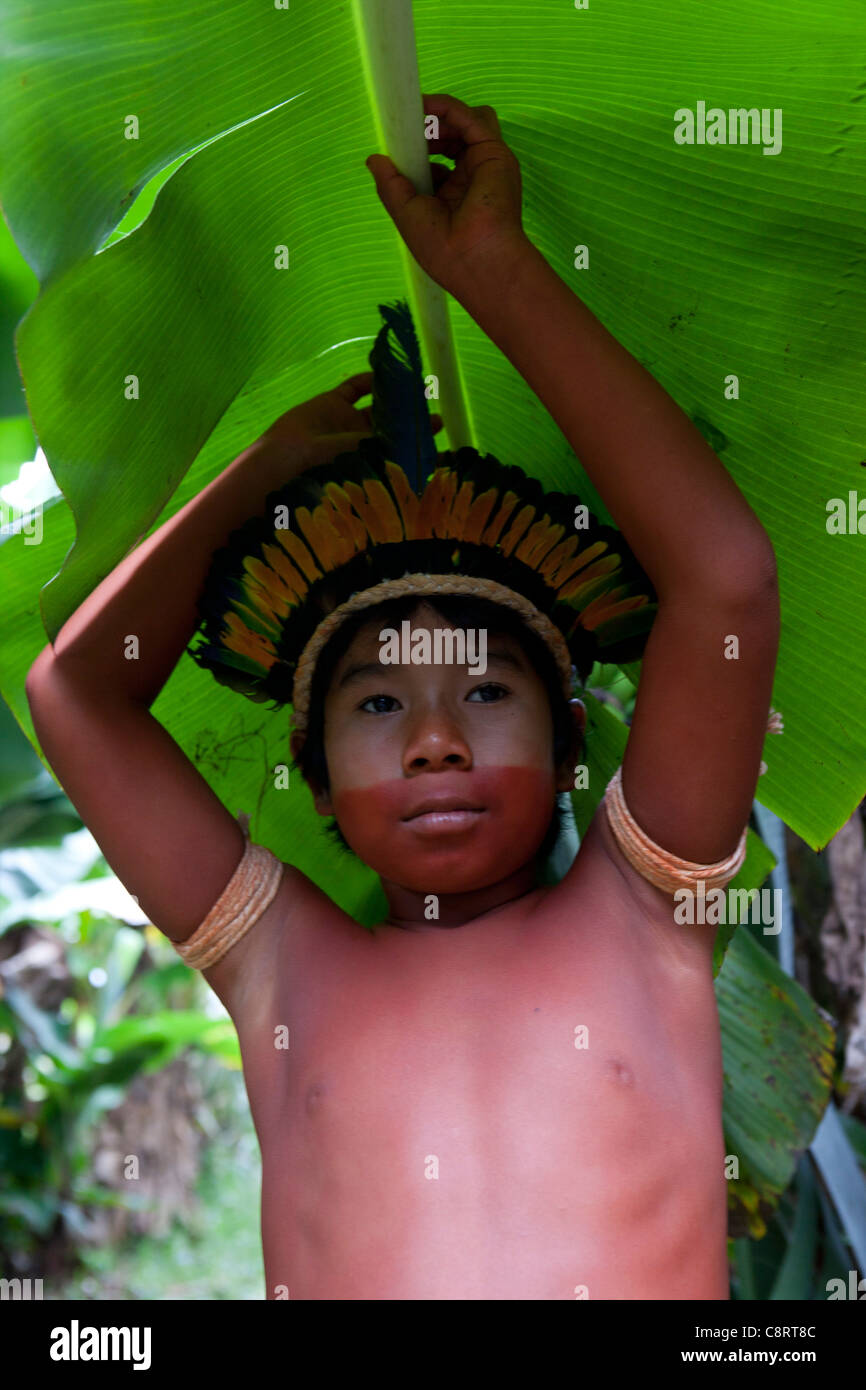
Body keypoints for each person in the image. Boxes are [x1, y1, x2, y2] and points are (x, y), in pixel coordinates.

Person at [25, 93, 780, 1300]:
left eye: (485, 689)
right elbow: (74, 696)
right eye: (376, 705)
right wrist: (256, 472)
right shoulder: (276, 963)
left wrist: (493, 269)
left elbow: (724, 585)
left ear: (572, 733)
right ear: (312, 779)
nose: (433, 740)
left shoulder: (647, 913)